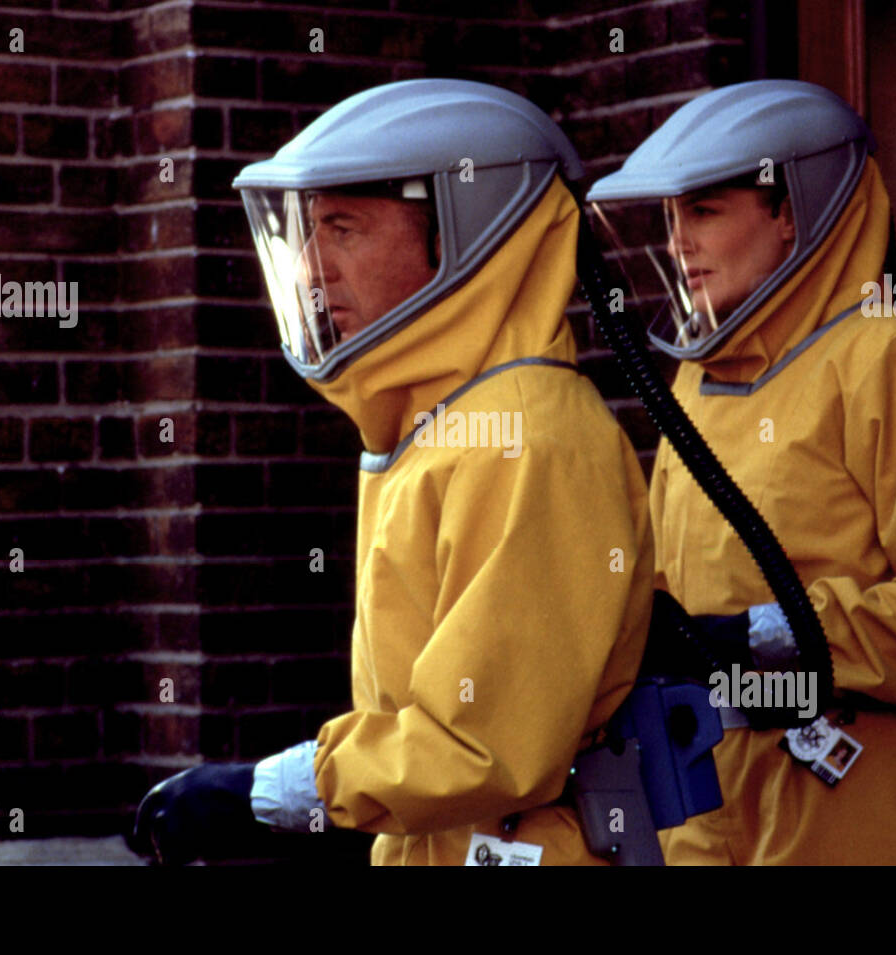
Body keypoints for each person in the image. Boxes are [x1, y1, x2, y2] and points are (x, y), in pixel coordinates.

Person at [131, 79, 655, 866]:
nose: (310, 268)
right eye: (307, 233)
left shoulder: (526, 432)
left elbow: (482, 742)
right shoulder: (434, 424)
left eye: (344, 228)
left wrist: (267, 791)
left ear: (459, 233)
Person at [586, 80, 896, 864]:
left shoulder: (892, 353)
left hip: (849, 805)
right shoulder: (694, 377)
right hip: (703, 799)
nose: (679, 242)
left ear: (791, 212)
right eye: (672, 216)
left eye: (707, 212)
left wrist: (773, 635)